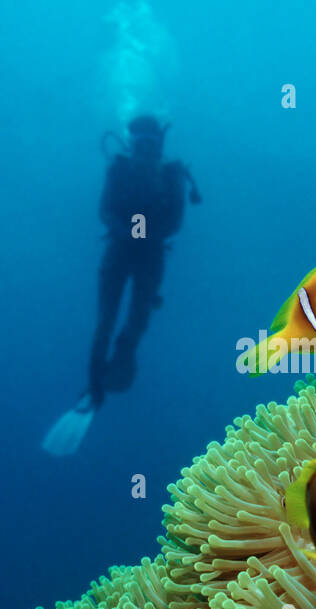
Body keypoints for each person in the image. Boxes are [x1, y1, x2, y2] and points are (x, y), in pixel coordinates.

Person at [42, 115, 200, 456]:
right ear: (131, 144)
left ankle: (123, 357)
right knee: (105, 320)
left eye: (150, 144)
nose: (144, 150)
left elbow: (175, 221)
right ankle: (93, 389)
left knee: (139, 318)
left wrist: (145, 235)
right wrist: (126, 231)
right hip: (119, 248)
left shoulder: (172, 174)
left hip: (151, 252)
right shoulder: (118, 169)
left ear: (159, 145)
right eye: (139, 143)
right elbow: (104, 209)